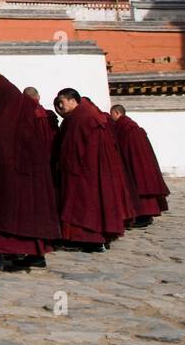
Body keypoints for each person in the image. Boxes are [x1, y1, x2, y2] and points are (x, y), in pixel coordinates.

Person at [0, 60, 59, 273]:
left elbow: (4, 133)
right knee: (21, 207)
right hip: (5, 159)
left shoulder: (8, 93)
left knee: (8, 207)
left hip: (13, 160)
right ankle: (35, 254)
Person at [53, 90, 134, 250]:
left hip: (88, 169)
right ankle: (89, 239)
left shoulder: (85, 117)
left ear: (72, 100)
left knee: (86, 204)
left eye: (63, 102)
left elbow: (79, 146)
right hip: (86, 168)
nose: (61, 106)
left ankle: (92, 240)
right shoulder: (80, 115)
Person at [109, 105, 170, 227]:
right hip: (138, 162)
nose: (111, 118)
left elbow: (127, 146)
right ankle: (143, 216)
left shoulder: (128, 128)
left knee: (139, 188)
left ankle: (144, 216)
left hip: (134, 163)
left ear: (117, 113)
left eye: (112, 114)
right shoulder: (129, 126)